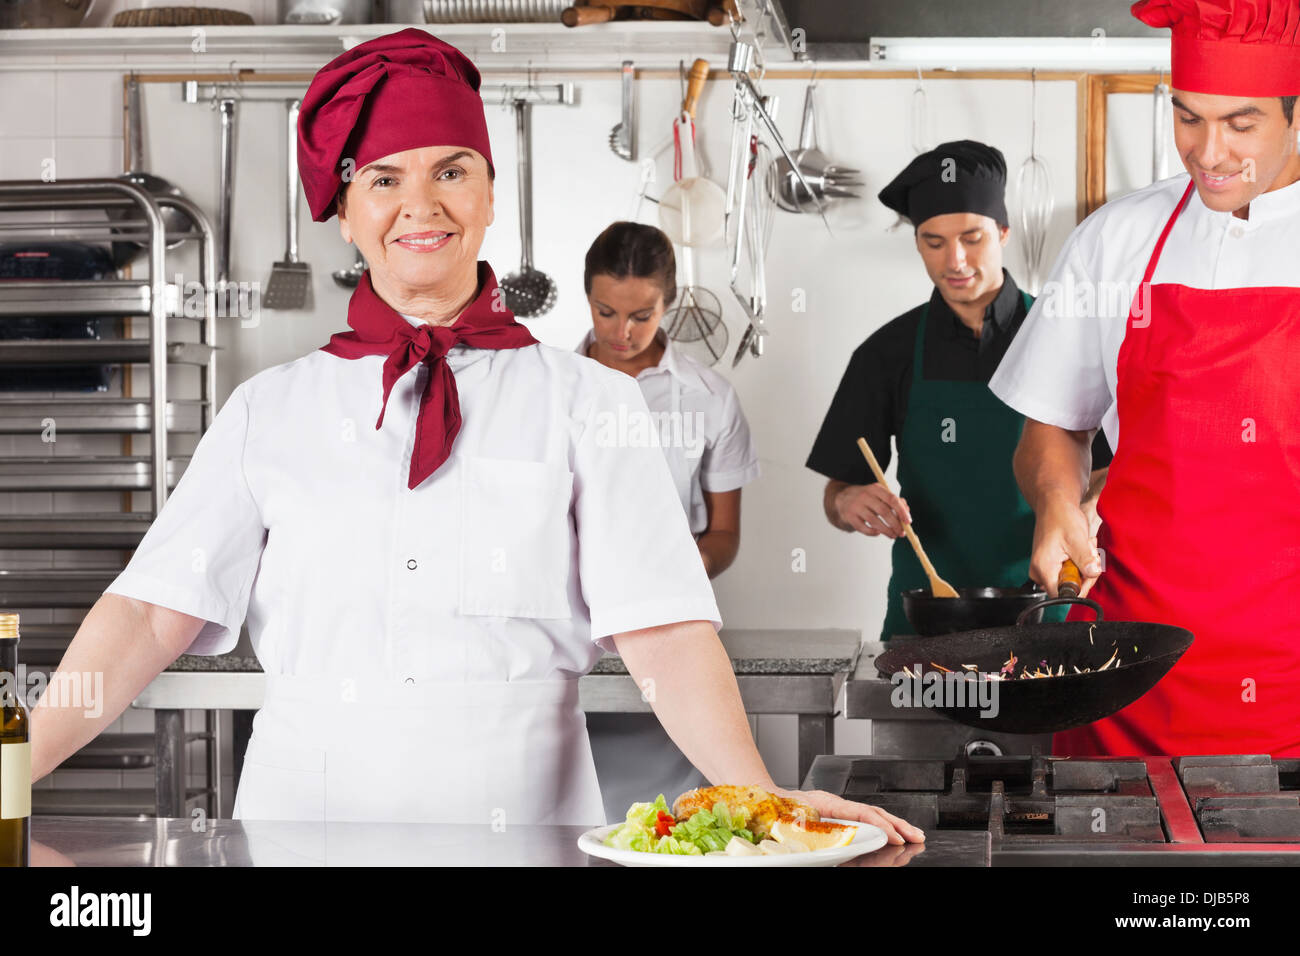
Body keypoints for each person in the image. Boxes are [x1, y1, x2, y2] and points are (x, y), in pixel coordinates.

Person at [26, 29, 924, 841]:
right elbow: (149, 613)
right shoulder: (270, 409)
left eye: (451, 170)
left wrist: (762, 797)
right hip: (304, 828)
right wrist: (11, 777)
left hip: (526, 835)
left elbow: (666, 630)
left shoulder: (589, 402)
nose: (422, 204)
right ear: (346, 211)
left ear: (492, 194)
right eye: (384, 178)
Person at [989, 0, 1300, 756]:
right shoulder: (1119, 239)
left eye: (1241, 123)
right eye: (1188, 117)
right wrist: (1058, 498)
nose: (1209, 152)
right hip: (1128, 670)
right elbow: (1051, 429)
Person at [807, 141, 1111, 641]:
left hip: (1053, 611)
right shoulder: (886, 353)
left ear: (1004, 232)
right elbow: (837, 494)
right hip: (927, 617)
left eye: (972, 238)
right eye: (933, 241)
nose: (956, 259)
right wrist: (848, 503)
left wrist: (1088, 507)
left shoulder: (1065, 336)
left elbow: (1106, 470)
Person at [575, 222, 760, 822]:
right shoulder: (553, 390)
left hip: (673, 643)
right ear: (587, 297)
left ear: (669, 303)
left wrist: (673, 566)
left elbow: (725, 536)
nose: (622, 332)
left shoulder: (709, 398)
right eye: (606, 312)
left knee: (674, 825)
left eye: (642, 315)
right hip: (570, 641)